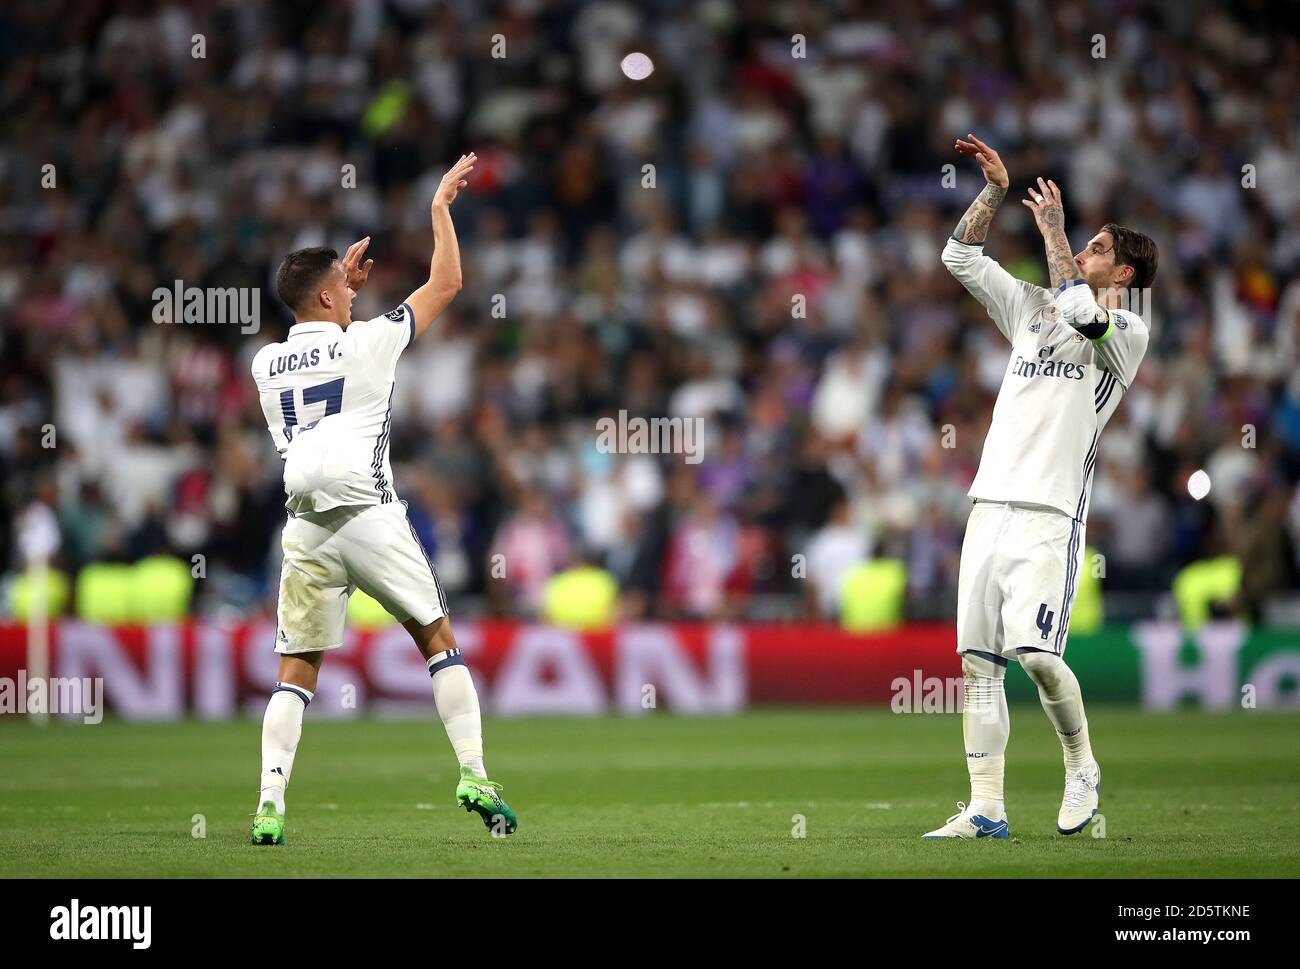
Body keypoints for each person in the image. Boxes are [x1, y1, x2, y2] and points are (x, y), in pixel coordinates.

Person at [247, 153, 517, 845]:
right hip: (369, 513)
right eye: (344, 286)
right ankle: (475, 775)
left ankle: (269, 805)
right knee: (438, 642)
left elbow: (322, 349)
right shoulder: (369, 341)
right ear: (329, 299)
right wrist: (438, 210)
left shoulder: (264, 363)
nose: (354, 291)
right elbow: (447, 282)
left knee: (295, 674)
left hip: (305, 527)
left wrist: (340, 296)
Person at [924, 135, 1157, 839]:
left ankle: (1081, 763)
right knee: (978, 665)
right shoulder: (1029, 308)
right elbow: (958, 257)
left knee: (1038, 658)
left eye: (1096, 248)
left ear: (1124, 272)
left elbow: (1082, 312)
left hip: (1051, 514)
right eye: (1081, 242)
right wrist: (995, 191)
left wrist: (1053, 229)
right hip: (990, 501)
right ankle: (986, 808)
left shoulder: (1126, 330)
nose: (1082, 250)